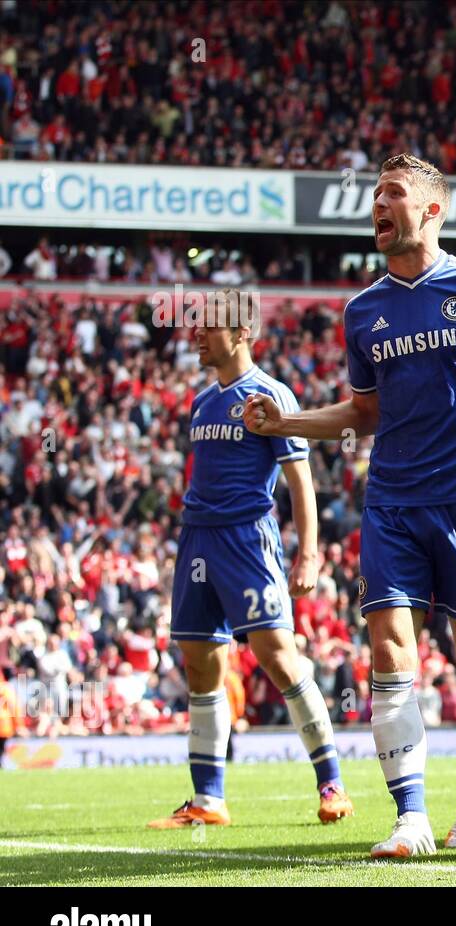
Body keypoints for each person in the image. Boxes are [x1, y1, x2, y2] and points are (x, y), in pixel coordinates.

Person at [244, 154, 456, 858]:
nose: (380, 204)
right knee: (387, 649)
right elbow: (364, 411)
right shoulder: (363, 310)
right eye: (375, 195)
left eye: (394, 193)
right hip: (393, 506)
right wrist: (288, 423)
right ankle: (411, 815)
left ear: (432, 210)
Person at [148, 288, 354, 830]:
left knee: (279, 659)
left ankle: (332, 783)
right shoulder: (201, 400)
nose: (196, 333)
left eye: (208, 324)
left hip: (246, 540)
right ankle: (208, 800)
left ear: (241, 332)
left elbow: (299, 480)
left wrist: (307, 552)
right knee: (200, 666)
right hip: (197, 539)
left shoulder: (269, 395)